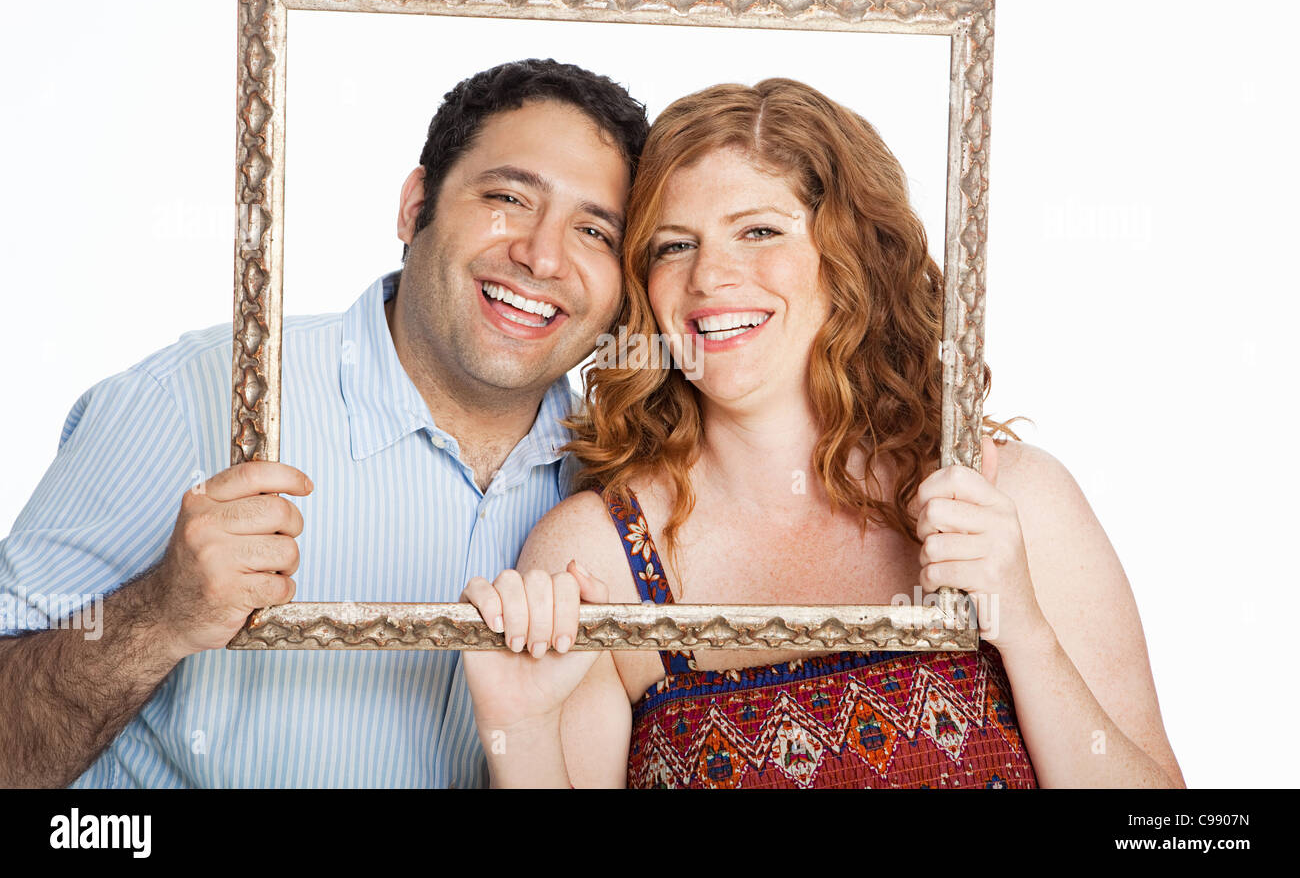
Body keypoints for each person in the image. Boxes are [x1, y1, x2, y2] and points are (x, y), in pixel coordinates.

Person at [459, 78, 1187, 789]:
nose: (710, 276)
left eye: (760, 231)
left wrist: (1025, 632)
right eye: (675, 246)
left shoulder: (1010, 502)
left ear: (850, 261)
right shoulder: (597, 559)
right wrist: (519, 736)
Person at [0, 58, 648, 788]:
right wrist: (158, 617)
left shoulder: (629, 486)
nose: (541, 255)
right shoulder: (192, 397)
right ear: (414, 205)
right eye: (506, 197)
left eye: (595, 231)